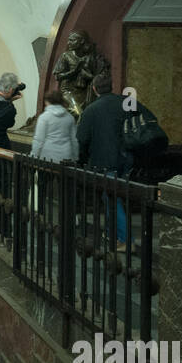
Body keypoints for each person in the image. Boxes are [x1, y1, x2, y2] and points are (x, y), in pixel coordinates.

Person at [76, 73, 130, 247]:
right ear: (112, 86)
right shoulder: (125, 103)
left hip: (104, 160)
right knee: (114, 198)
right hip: (127, 159)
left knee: (112, 199)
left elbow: (82, 139)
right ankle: (111, 234)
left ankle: (124, 240)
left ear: (94, 89)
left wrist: (83, 159)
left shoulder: (91, 110)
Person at [31, 90, 78, 162]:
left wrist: (33, 155)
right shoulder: (70, 117)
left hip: (47, 157)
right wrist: (75, 157)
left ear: (47, 101)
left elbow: (39, 140)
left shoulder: (44, 117)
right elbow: (74, 140)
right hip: (66, 156)